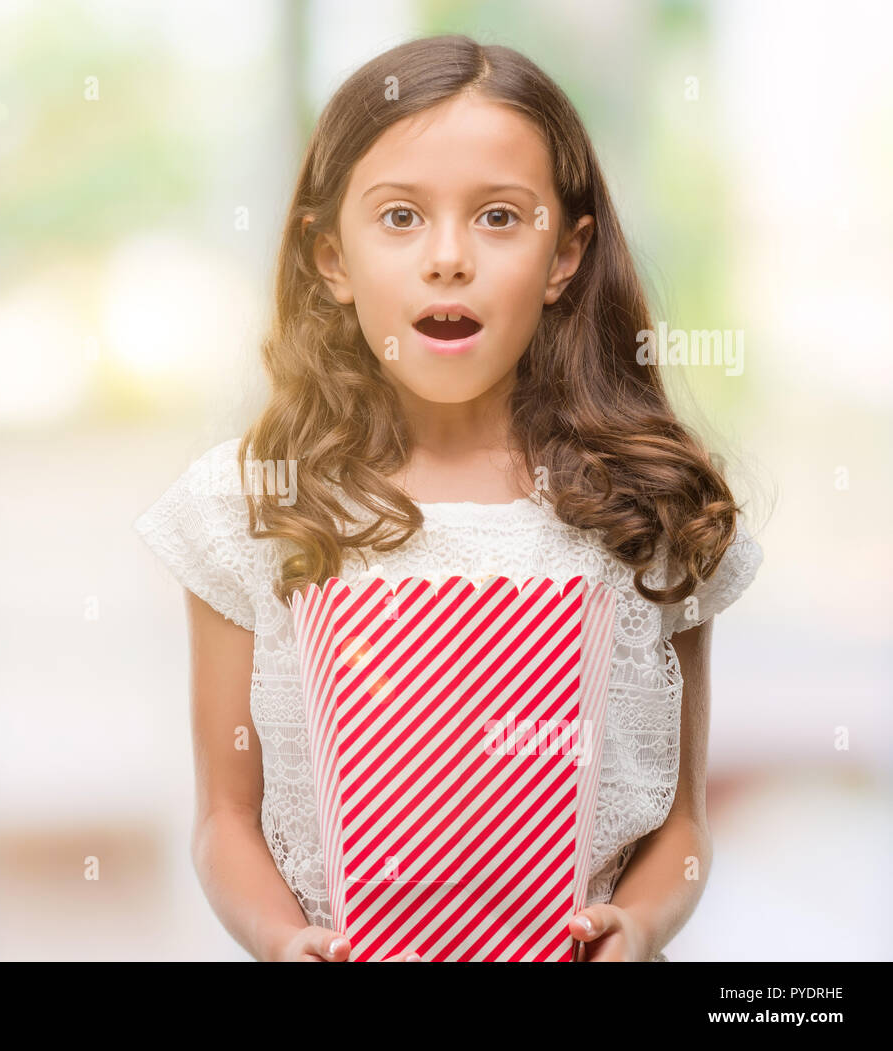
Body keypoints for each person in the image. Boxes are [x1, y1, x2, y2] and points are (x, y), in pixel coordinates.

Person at [133, 34, 765, 962]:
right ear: (330, 258)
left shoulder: (647, 505)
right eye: (398, 217)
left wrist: (641, 925)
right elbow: (225, 817)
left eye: (501, 217)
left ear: (565, 257)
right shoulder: (251, 506)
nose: (448, 258)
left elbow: (682, 830)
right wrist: (282, 940)